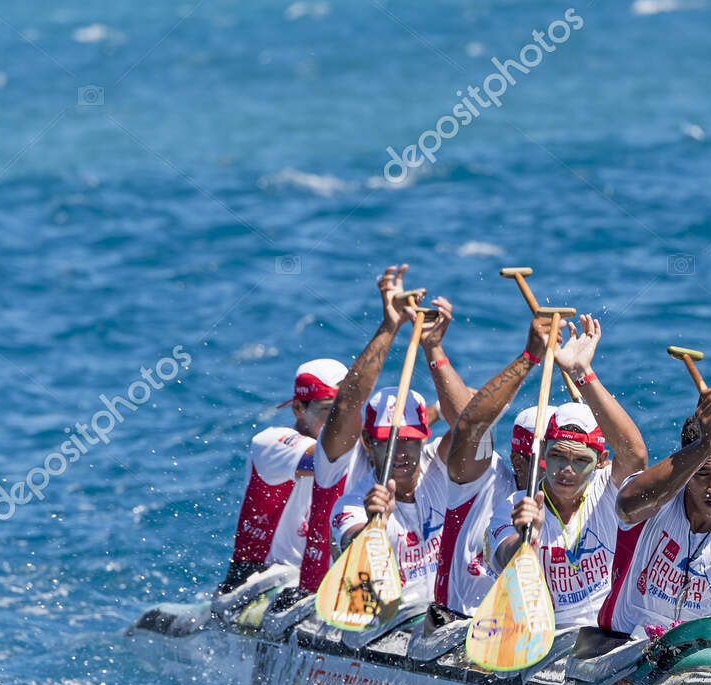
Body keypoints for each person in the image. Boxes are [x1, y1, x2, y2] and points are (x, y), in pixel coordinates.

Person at [438, 315, 646, 623]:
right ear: (528, 456)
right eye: (554, 456)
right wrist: (527, 540)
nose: (563, 469)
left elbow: (634, 455)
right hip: (493, 625)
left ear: (598, 461)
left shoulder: (601, 485)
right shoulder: (503, 495)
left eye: (578, 459)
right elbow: (469, 426)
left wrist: (582, 373)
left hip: (590, 633)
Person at [297, 264, 471, 601]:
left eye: (409, 441)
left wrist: (433, 348)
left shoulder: (436, 465)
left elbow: (471, 428)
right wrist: (390, 326)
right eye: (388, 442)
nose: (399, 452)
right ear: (366, 441)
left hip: (430, 615)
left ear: (425, 438)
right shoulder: (345, 475)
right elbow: (345, 406)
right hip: (344, 602)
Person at [599, 386, 711, 636]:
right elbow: (626, 507)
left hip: (704, 652)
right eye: (703, 472)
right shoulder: (655, 499)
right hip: (620, 642)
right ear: (689, 464)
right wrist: (704, 446)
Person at [218, 357, 347, 594]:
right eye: (329, 410)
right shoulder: (270, 443)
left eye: (345, 410)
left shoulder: (352, 450)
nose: (338, 421)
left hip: (309, 580)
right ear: (298, 409)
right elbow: (326, 459)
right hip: (253, 582)